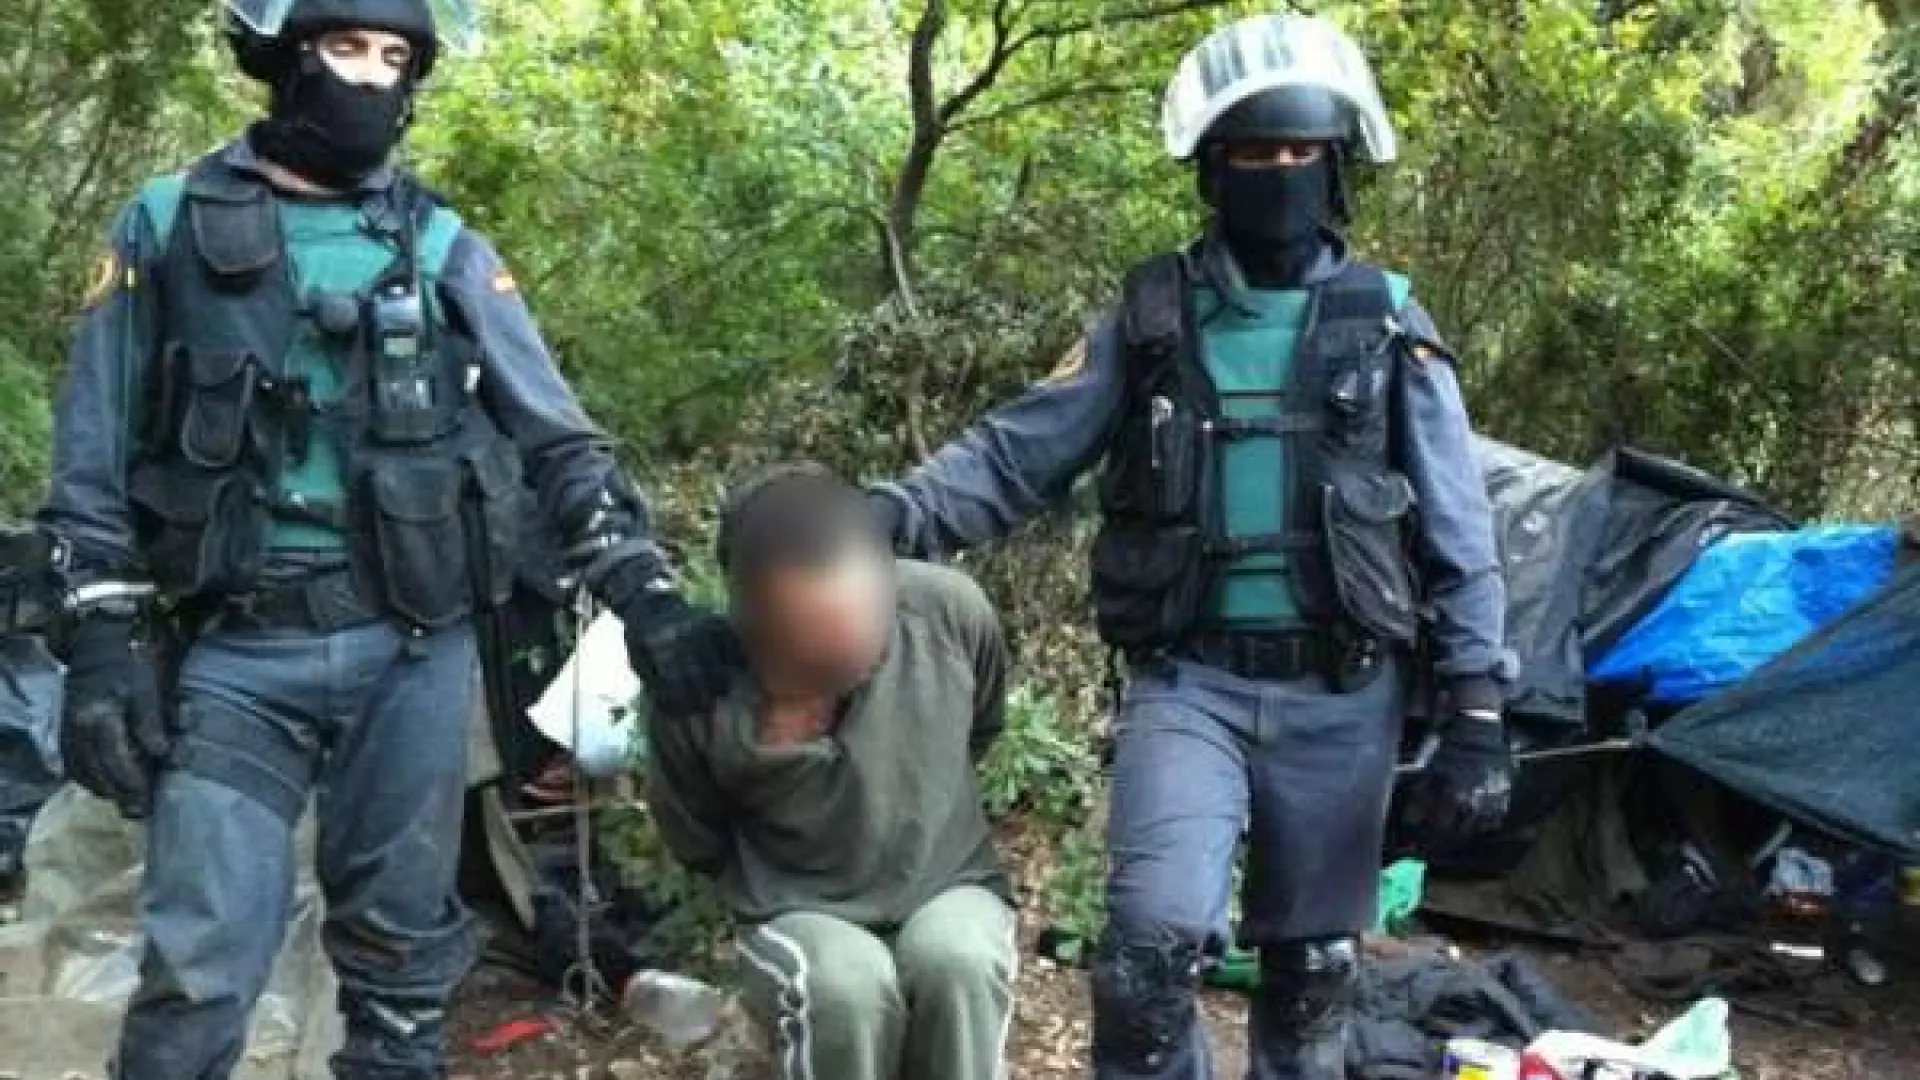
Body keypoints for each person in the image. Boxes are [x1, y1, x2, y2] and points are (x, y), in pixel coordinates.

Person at [38, 2, 736, 1076]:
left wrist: (647, 596)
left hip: (408, 655)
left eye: (394, 56)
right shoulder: (166, 223)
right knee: (199, 969)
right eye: (345, 47)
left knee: (403, 973)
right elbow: (91, 449)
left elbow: (559, 441)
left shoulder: (440, 243)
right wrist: (99, 638)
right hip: (234, 653)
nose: (370, 76)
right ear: (286, 57)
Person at [867, 13, 1519, 1080]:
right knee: (1147, 947)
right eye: (1253, 152)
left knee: (1313, 975)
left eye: (1300, 150)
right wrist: (884, 517)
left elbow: (1460, 526)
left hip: (1343, 691)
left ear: (1337, 164)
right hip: (1189, 685)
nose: (1279, 172)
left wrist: (1478, 709)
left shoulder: (1389, 323)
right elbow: (1019, 451)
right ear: (1212, 169)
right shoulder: (1152, 315)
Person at [647, 462, 1019, 1080]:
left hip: (946, 879)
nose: (852, 656)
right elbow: (696, 835)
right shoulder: (697, 686)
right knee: (843, 989)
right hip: (797, 906)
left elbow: (980, 727)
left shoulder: (948, 613)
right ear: (751, 619)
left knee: (961, 963)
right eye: (816, 649)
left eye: (866, 631)